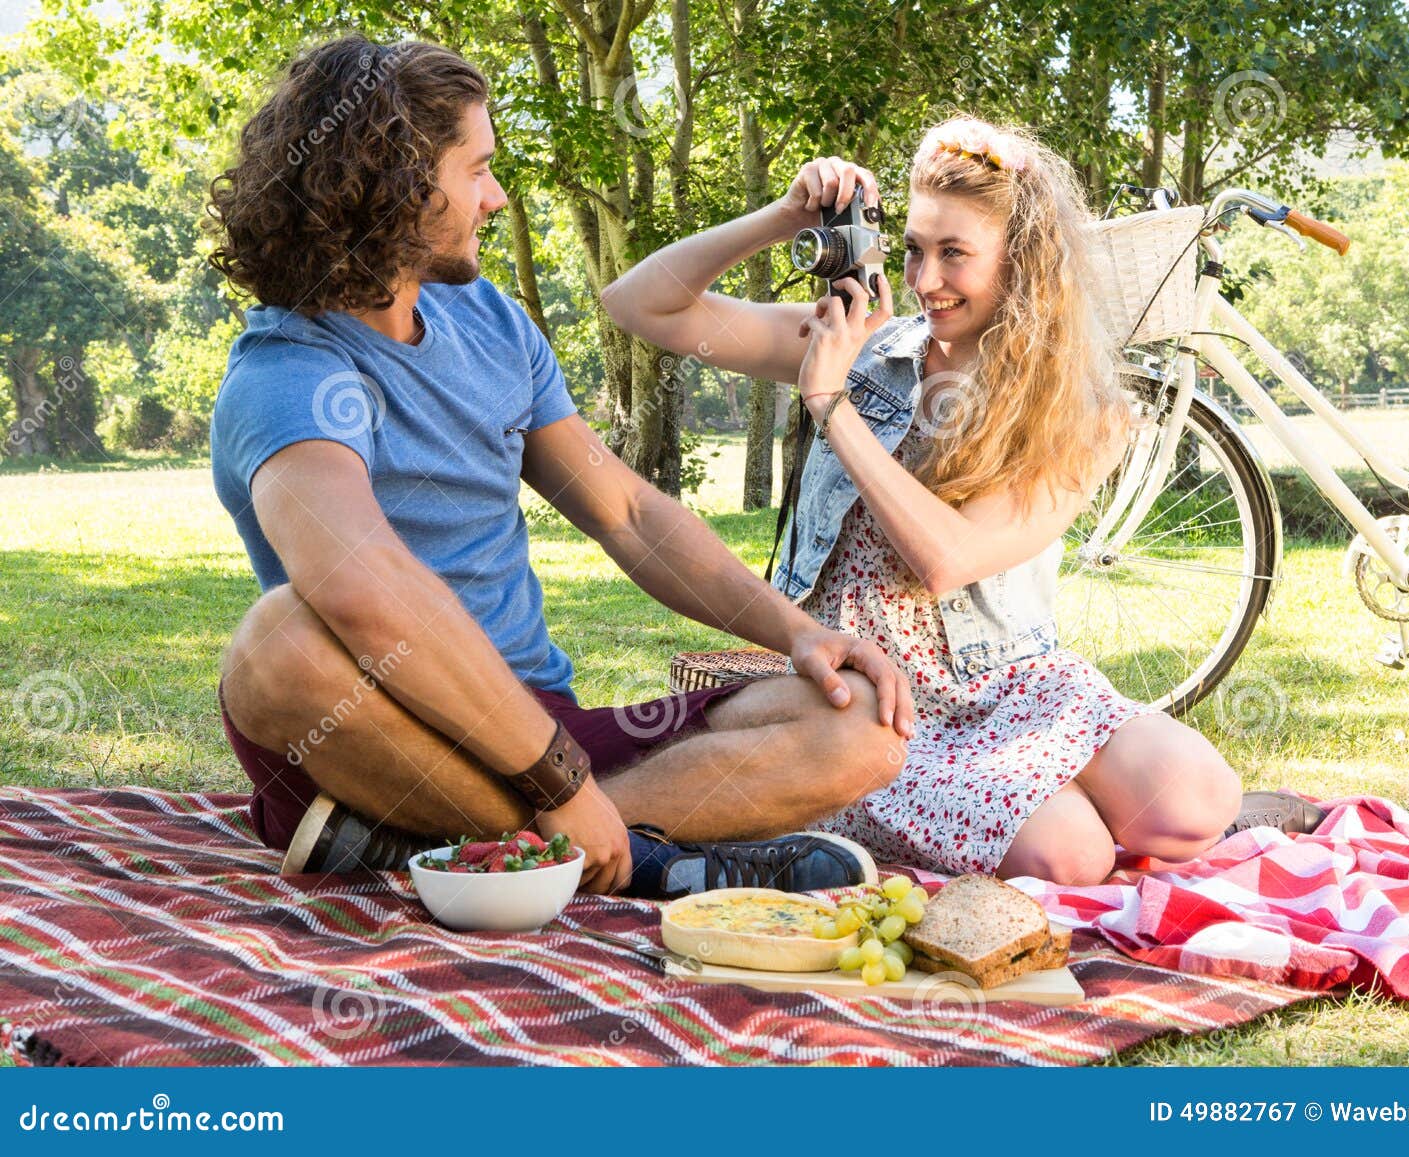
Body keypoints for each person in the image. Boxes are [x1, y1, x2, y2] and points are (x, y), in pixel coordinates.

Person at [205, 35, 919, 897]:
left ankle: (447, 847)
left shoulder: (489, 322)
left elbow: (626, 513)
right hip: (386, 733)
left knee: (858, 723)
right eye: (476, 170)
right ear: (391, 181)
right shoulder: (287, 373)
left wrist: (799, 633)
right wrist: (560, 784)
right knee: (273, 645)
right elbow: (360, 586)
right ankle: (630, 853)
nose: (496, 197)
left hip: (542, 724)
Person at [603, 116, 1326, 884]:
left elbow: (947, 558)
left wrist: (829, 406)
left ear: (1022, 262)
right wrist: (784, 216)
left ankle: (1065, 792)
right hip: (870, 695)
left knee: (1197, 801)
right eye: (914, 249)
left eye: (955, 254)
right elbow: (640, 306)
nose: (924, 279)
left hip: (1009, 682)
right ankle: (1022, 805)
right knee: (1070, 856)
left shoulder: (1086, 409)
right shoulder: (866, 348)